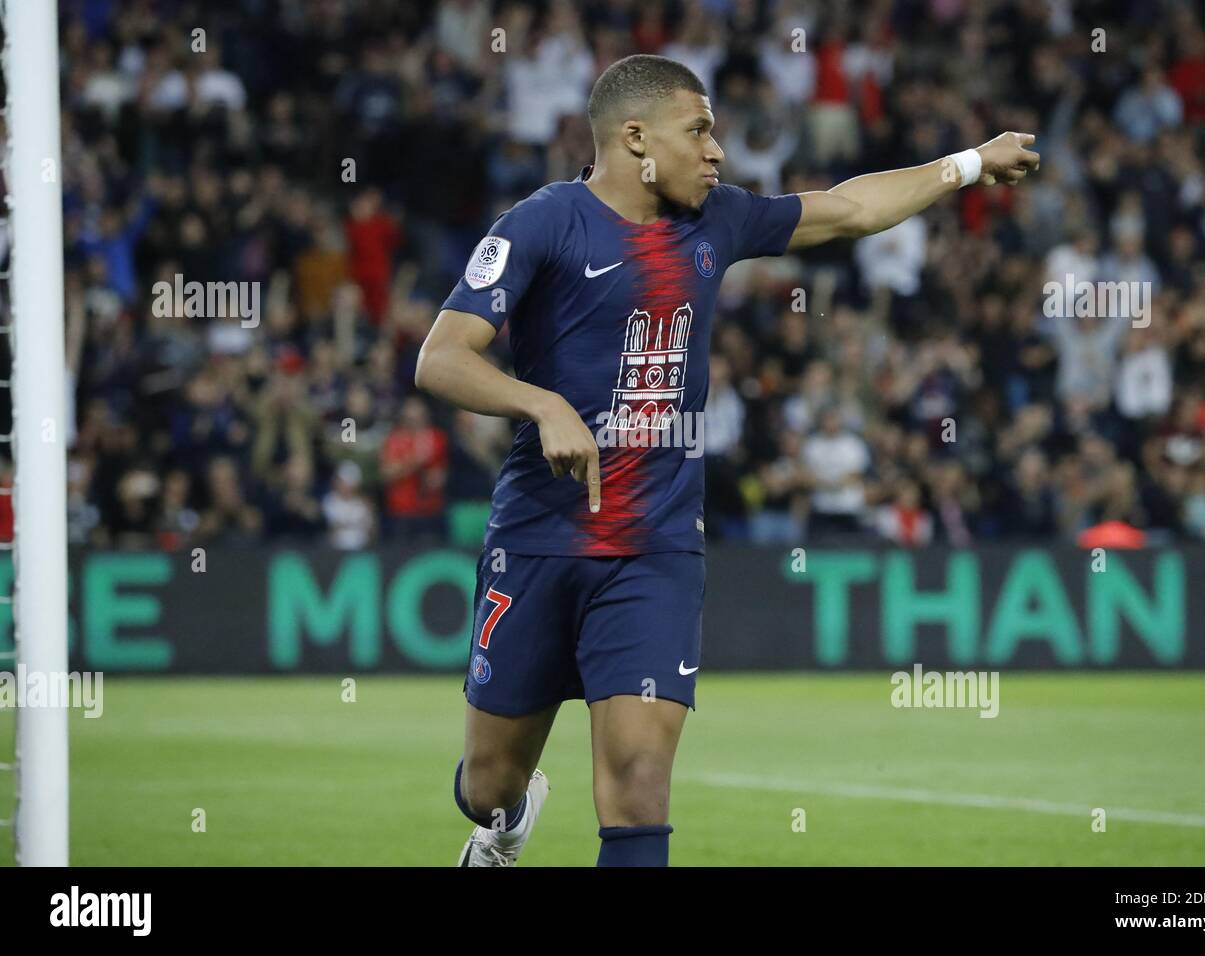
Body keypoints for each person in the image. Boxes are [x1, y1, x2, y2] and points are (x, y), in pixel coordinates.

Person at [414, 54, 1038, 867]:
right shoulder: (543, 223)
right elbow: (440, 357)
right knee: (490, 780)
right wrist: (541, 402)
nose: (717, 152)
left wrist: (969, 162)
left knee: (638, 780)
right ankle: (502, 820)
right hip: (539, 534)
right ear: (635, 138)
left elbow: (848, 209)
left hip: (656, 546)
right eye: (699, 131)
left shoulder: (717, 221)